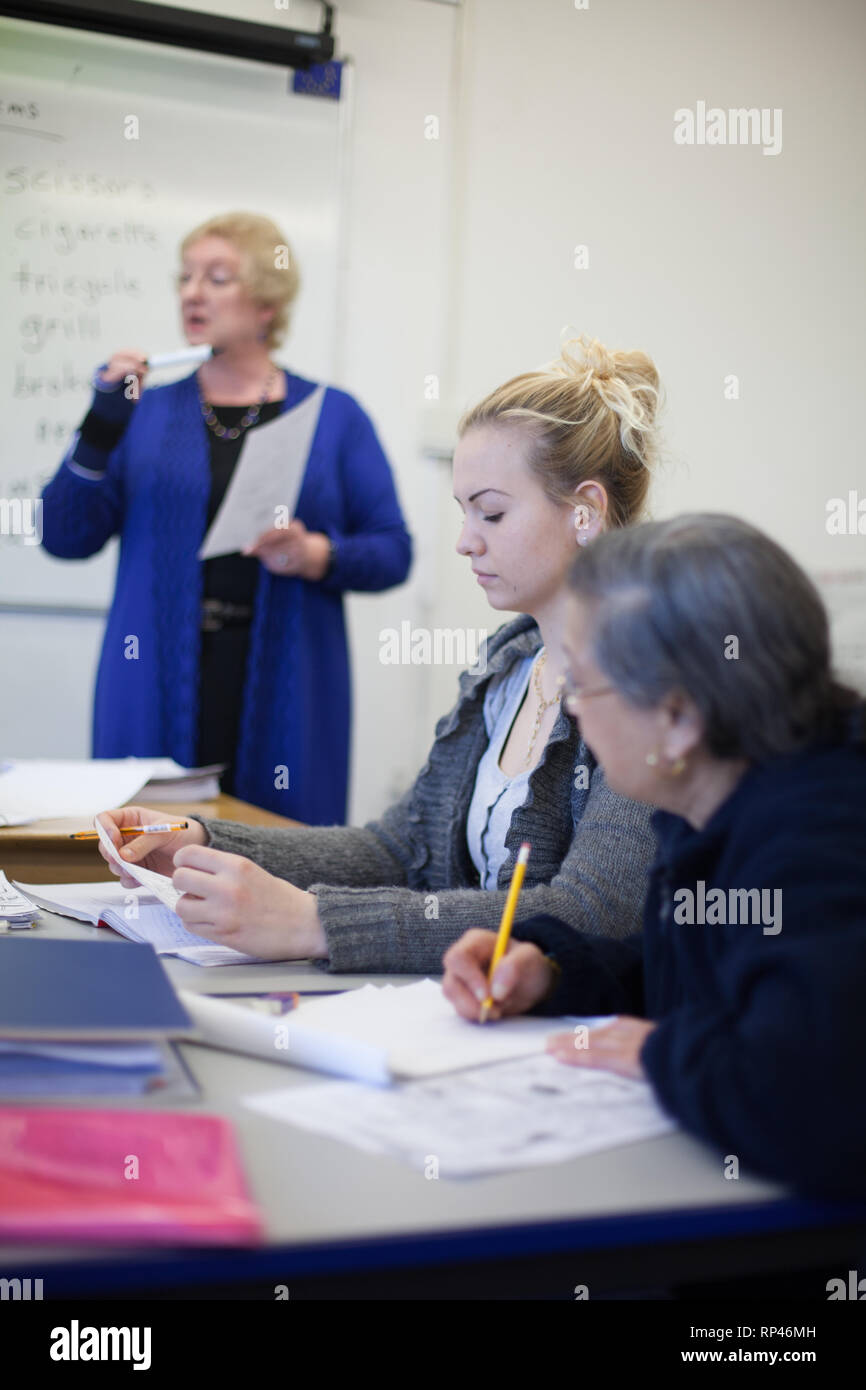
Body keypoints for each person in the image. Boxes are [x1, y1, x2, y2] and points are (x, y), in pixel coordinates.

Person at [97, 335, 662, 973]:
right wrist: (201, 839)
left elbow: (590, 915)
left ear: (586, 511)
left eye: (492, 515)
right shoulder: (506, 668)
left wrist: (316, 923)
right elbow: (402, 849)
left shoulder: (655, 684)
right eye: (463, 513)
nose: (466, 543)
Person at [442, 514, 866, 1196]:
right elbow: (706, 980)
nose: (573, 710)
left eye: (582, 684)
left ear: (680, 720)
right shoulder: (714, 796)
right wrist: (553, 973)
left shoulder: (820, 840)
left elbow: (809, 1106)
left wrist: (656, 1052)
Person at [40, 211, 412, 823]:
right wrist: (100, 425)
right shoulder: (143, 411)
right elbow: (64, 536)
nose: (191, 292)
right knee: (145, 859)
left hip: (287, 682)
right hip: (153, 673)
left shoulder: (334, 415)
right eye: (185, 277)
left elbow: (393, 550)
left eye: (217, 277)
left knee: (278, 862)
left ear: (267, 303)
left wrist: (319, 555)